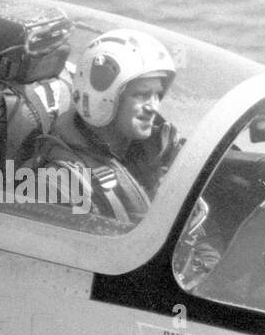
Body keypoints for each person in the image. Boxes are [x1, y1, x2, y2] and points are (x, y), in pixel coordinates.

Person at [26, 29, 181, 225]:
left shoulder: (159, 151)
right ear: (105, 98)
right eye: (141, 95)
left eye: (157, 95)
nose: (153, 107)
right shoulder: (60, 185)